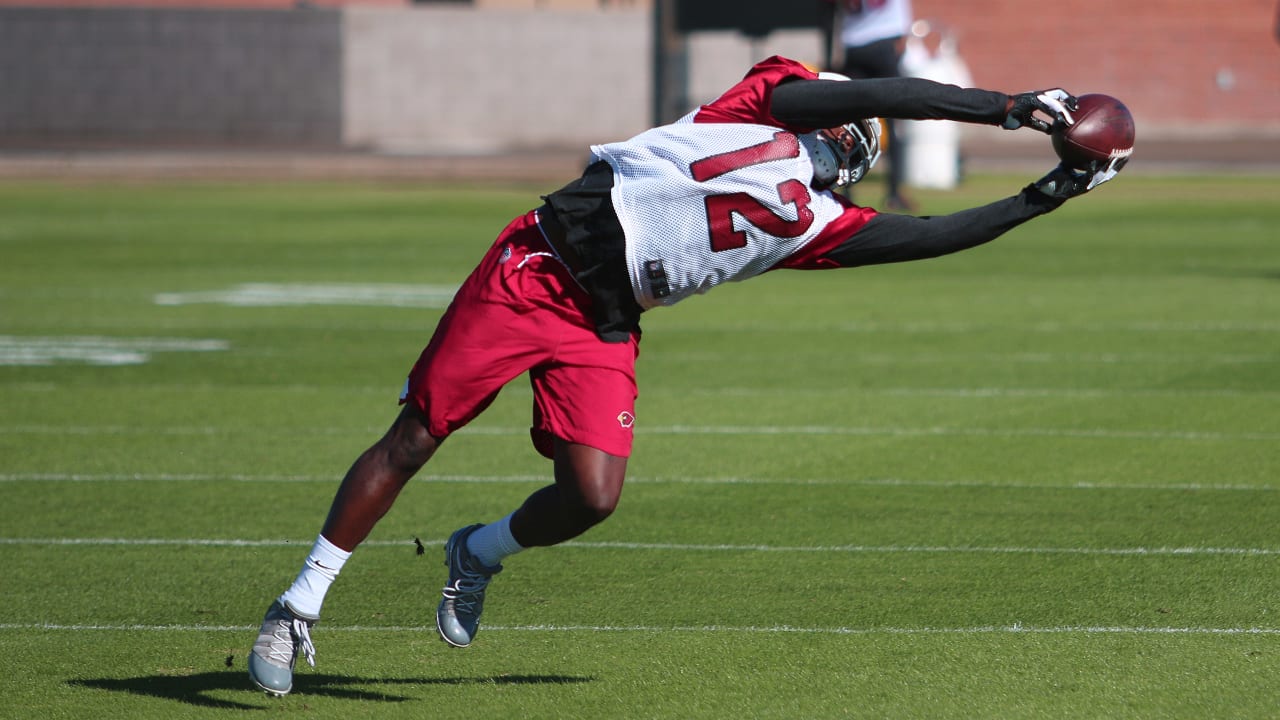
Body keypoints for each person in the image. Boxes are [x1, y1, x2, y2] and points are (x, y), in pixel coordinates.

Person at [247, 54, 1125, 696]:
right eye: (844, 132)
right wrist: (1009, 107)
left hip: (605, 321)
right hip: (535, 268)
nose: (843, 144)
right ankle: (299, 604)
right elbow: (884, 90)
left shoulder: (818, 223)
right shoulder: (759, 104)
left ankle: (478, 551)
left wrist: (1045, 197)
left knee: (593, 495)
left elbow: (935, 236)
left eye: (853, 147)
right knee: (418, 434)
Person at [820, 0, 916, 210]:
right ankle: (893, 191)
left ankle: (846, 191)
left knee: (848, 124)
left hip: (854, 47)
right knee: (892, 122)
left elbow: (829, 14)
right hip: (883, 44)